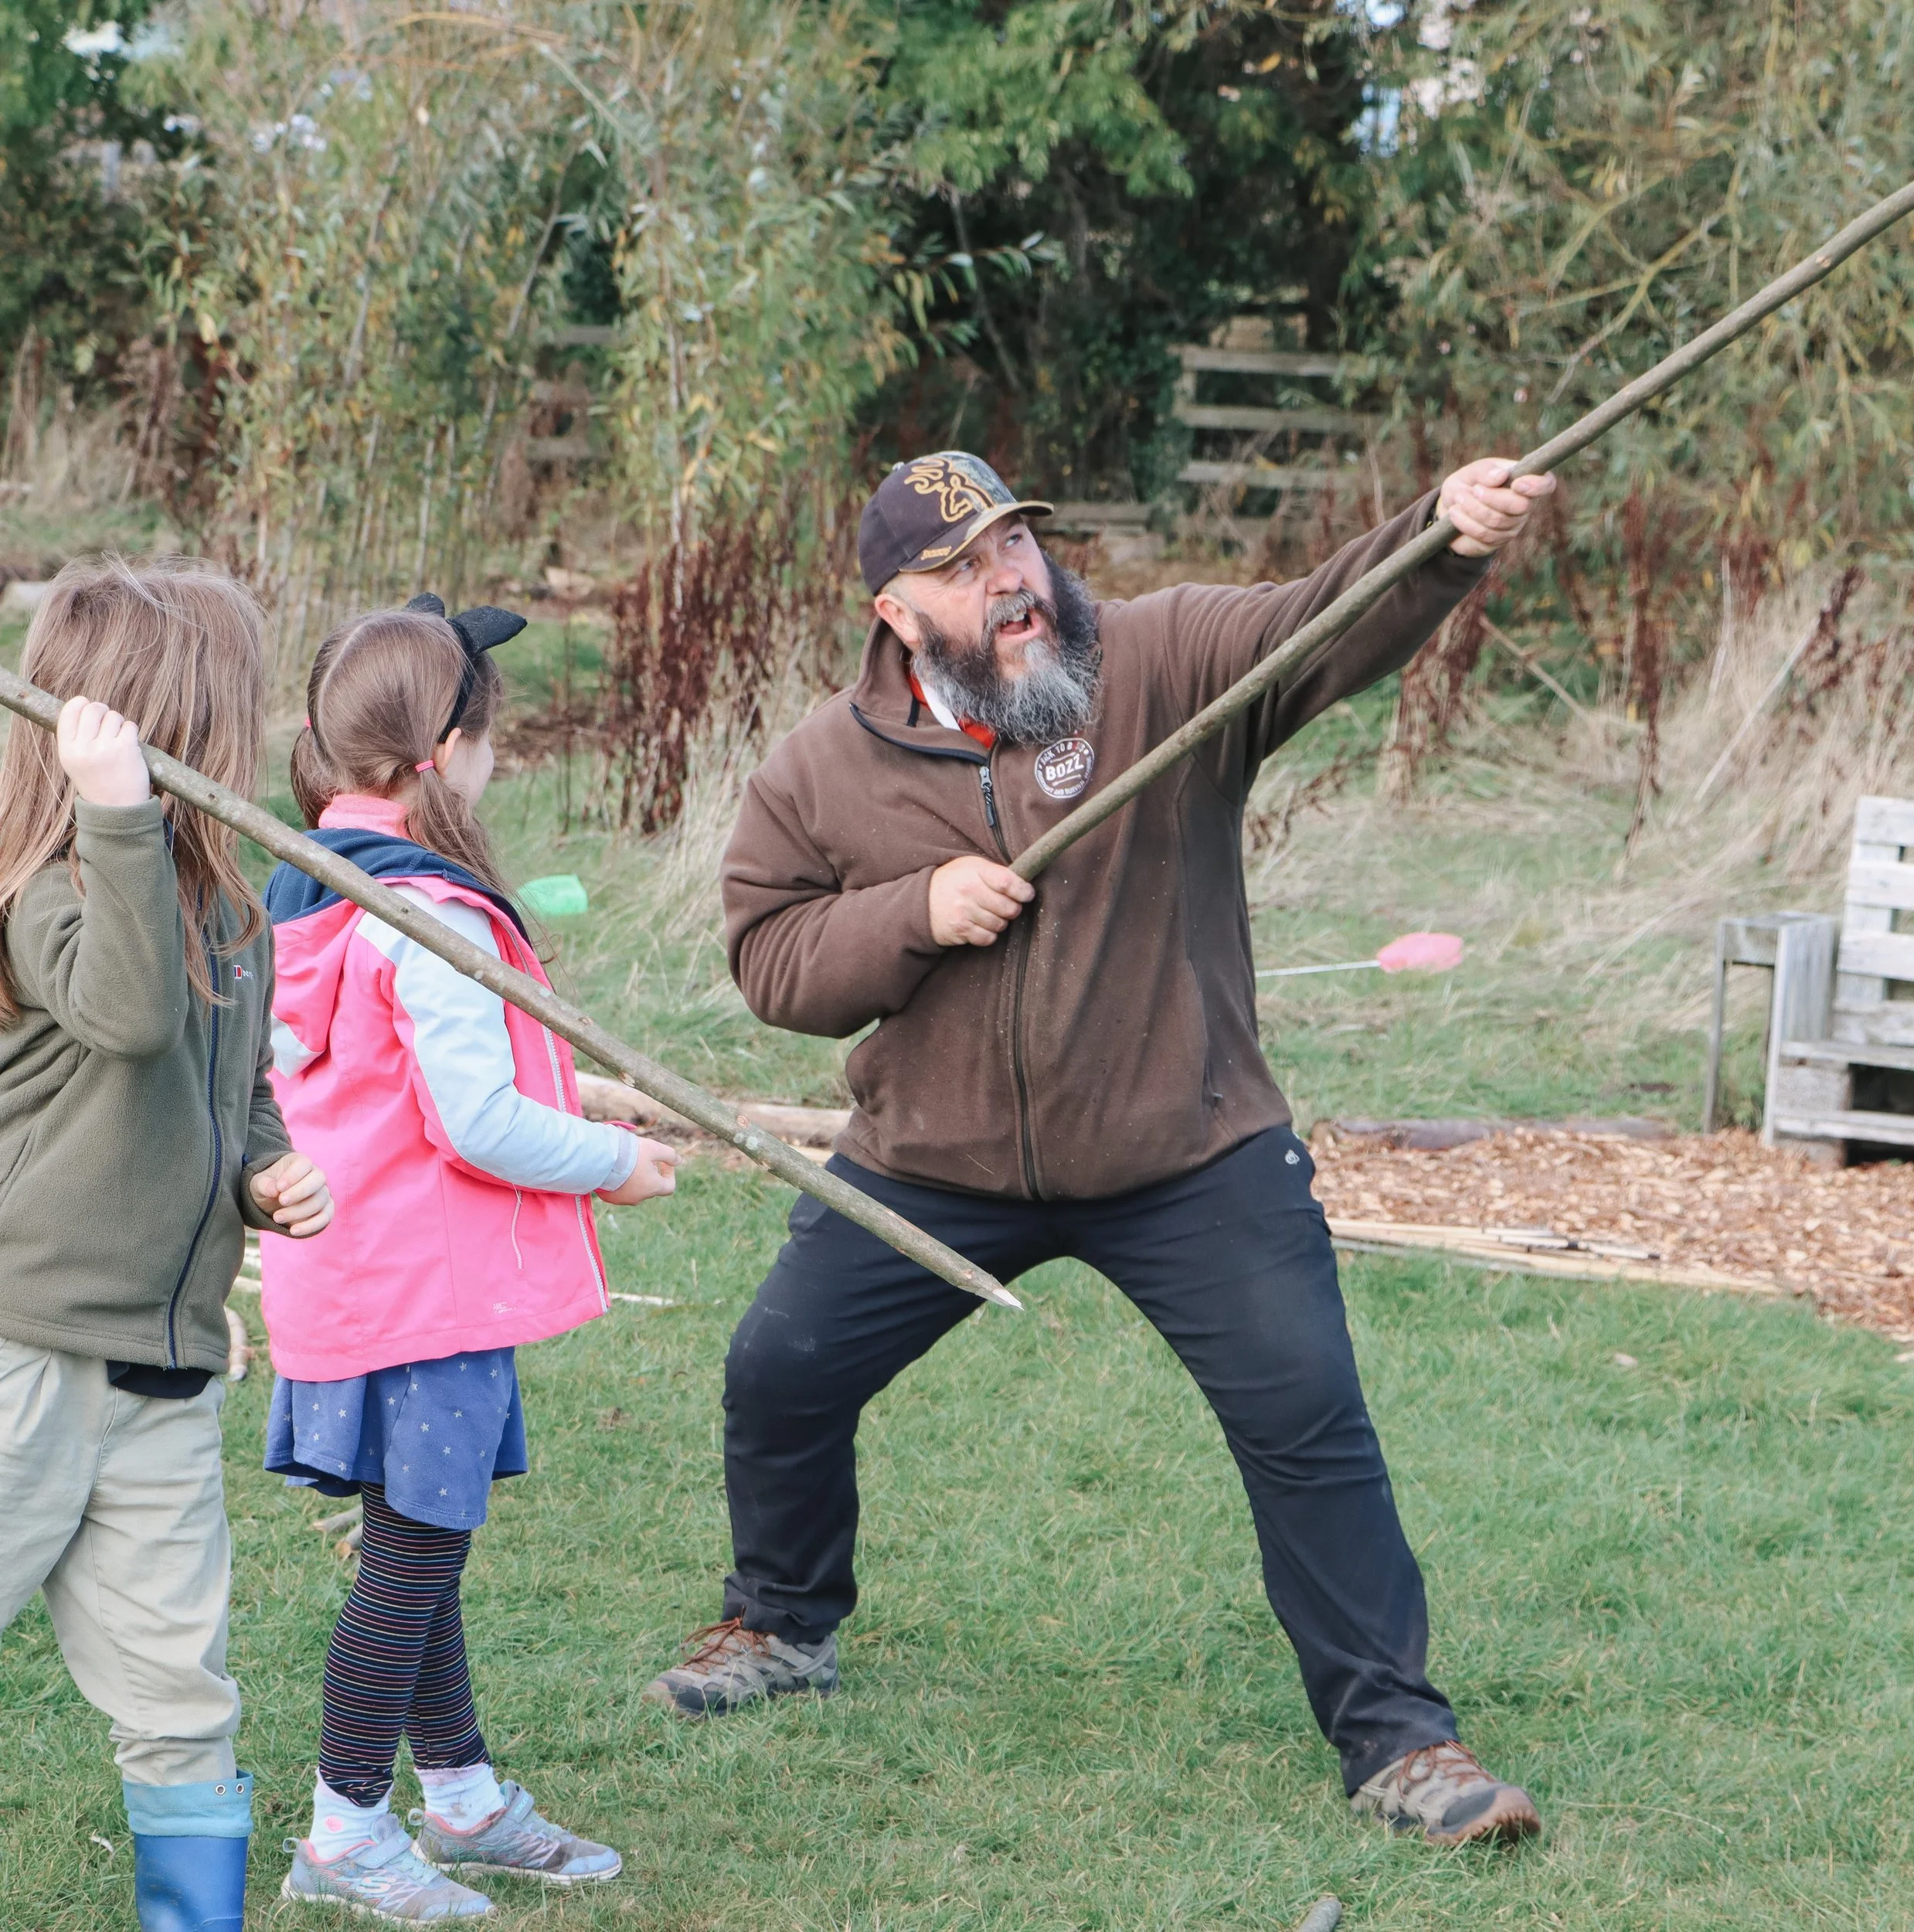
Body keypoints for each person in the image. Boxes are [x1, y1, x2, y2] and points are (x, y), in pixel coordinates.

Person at [646, 451, 1559, 1845]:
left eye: (1018, 544)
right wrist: (914, 910)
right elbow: (772, 959)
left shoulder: (1155, 661)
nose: (1012, 578)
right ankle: (782, 1627)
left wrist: (1440, 540)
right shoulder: (820, 772)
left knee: (1306, 1413)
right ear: (898, 611)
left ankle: (1398, 1740)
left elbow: (1321, 619)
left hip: (1184, 1148)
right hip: (932, 1163)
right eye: (966, 567)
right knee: (780, 1371)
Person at [258, 597, 680, 1922]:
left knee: (414, 1545)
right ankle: (343, 1834)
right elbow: (476, 1120)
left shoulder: (313, 883)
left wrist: (589, 1107)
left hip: (352, 1285)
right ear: (449, 751)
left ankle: (461, 1799)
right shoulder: (423, 914)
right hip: (425, 1301)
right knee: (412, 1565)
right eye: (494, 735)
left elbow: (392, 1090)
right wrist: (617, 1165)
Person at [0, 558, 335, 1932]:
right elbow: (134, 1018)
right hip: (23, 1361)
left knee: (182, 1689)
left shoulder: (232, 909)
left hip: (163, 1373)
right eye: (232, 711)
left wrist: (262, 1173)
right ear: (156, 732)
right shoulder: (47, 893)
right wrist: (115, 822)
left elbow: (227, 1076)